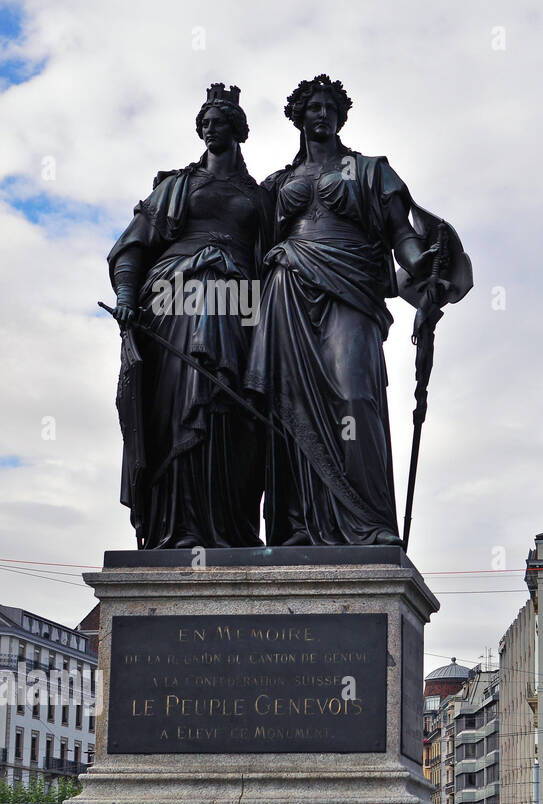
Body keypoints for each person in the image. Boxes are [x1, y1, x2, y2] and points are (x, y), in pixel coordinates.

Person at [245, 74, 471, 546]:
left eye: (330, 107)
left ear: (341, 116)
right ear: (299, 117)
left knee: (354, 396)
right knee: (290, 408)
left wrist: (421, 266)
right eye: (313, 107)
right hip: (288, 284)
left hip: (350, 288)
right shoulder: (278, 183)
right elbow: (249, 245)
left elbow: (402, 235)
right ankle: (299, 526)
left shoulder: (369, 170)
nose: (322, 114)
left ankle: (367, 523)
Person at [109, 83, 270, 548]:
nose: (210, 128)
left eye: (219, 121)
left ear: (238, 129)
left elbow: (276, 258)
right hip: (173, 298)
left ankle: (228, 527)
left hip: (240, 306)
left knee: (231, 409)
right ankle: (177, 526)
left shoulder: (259, 198)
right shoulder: (177, 186)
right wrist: (125, 295)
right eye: (204, 123)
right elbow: (132, 245)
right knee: (181, 405)